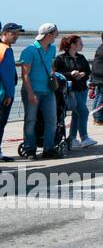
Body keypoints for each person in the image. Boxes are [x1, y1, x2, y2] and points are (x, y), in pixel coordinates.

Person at [18, 23, 60, 157]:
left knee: (51, 120)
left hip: (48, 91)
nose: (57, 36)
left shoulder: (52, 48)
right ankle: (30, 148)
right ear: (48, 35)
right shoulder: (29, 51)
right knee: (30, 120)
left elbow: (51, 66)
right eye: (55, 34)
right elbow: (24, 74)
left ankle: (48, 149)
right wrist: (30, 93)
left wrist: (54, 79)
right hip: (33, 90)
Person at [53, 34, 94, 149]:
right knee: (84, 112)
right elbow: (56, 74)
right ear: (72, 45)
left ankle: (72, 139)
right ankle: (84, 138)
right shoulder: (60, 59)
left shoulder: (81, 57)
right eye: (80, 43)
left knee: (77, 115)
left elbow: (87, 70)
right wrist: (70, 74)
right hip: (70, 90)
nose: (82, 45)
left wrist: (83, 74)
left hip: (83, 89)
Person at [0, 22, 22, 162]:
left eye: (18, 33)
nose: (16, 36)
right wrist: (8, 94)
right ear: (4, 33)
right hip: (3, 95)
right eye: (13, 33)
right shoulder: (5, 49)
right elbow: (7, 74)